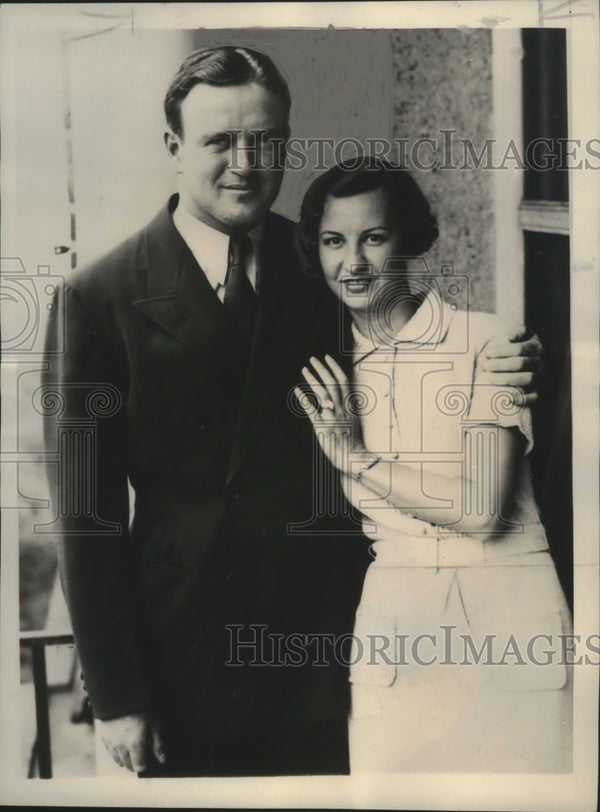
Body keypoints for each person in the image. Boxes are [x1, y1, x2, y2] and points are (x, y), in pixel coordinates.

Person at [42, 47, 543, 777]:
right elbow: (84, 518)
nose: (248, 162)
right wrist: (117, 695)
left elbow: (410, 352)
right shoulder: (97, 298)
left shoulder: (320, 263)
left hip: (325, 652)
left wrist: (509, 356)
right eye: (220, 141)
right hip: (185, 662)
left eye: (268, 140)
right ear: (173, 148)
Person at [295, 157, 572, 773]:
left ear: (410, 239)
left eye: (374, 237)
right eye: (334, 241)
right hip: (395, 625)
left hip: (507, 612)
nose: (355, 262)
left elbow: (479, 511)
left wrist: (354, 457)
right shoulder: (323, 368)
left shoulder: (488, 342)